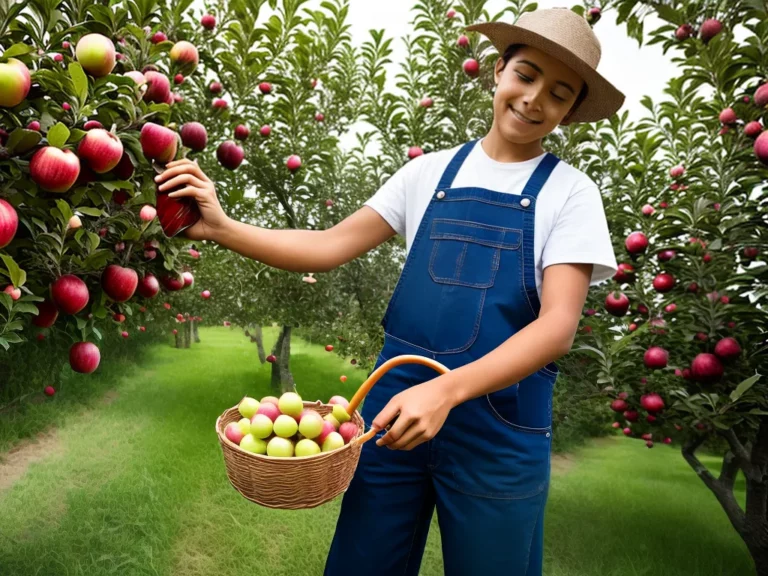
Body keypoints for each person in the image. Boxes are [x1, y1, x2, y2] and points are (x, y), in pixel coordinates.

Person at [154, 7, 625, 575]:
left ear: (570, 111)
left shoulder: (572, 194)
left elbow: (557, 328)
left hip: (499, 427)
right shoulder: (427, 174)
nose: (533, 98)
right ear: (498, 71)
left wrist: (447, 391)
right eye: (525, 75)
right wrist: (222, 228)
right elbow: (328, 246)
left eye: (558, 93)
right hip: (393, 413)